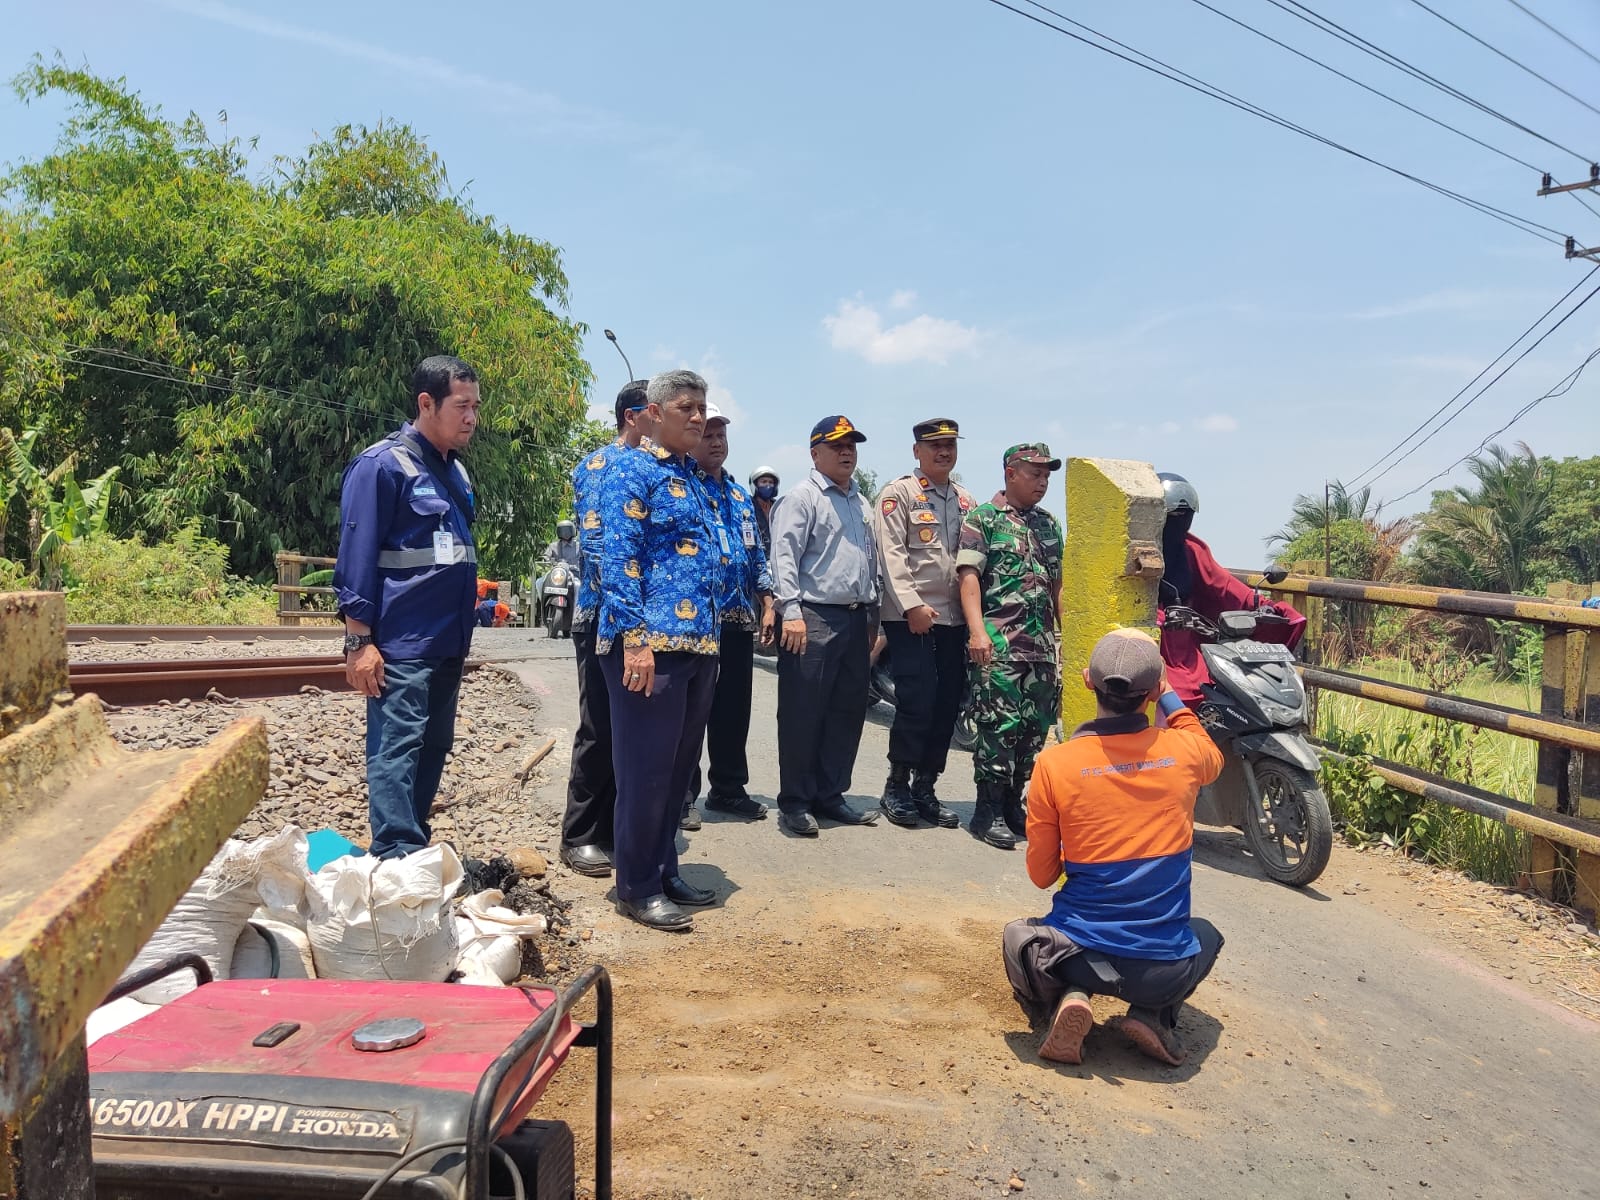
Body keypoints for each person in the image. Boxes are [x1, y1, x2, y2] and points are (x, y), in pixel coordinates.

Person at [1003, 628, 1225, 1067]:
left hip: (1076, 958)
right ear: (1155, 690)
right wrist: (1170, 699)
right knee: (1206, 935)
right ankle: (1151, 1013)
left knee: (1018, 936)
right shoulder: (1184, 753)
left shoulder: (1056, 764)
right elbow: (1209, 753)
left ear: (1088, 680)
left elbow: (1042, 875)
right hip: (1162, 972)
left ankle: (1068, 997)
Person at [334, 354, 480, 860]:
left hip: (447, 640)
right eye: (461, 406)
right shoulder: (382, 466)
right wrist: (359, 642)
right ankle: (394, 853)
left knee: (435, 745)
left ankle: (412, 842)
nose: (471, 418)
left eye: (475, 407)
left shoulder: (456, 473)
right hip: (401, 643)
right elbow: (356, 558)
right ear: (426, 403)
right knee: (397, 747)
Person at [597, 369, 724, 931]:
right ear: (653, 412)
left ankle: (664, 868)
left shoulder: (693, 476)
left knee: (677, 772)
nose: (697, 417)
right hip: (648, 646)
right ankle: (637, 886)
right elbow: (617, 557)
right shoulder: (630, 468)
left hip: (697, 644)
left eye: (701, 407)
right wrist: (635, 641)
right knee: (645, 772)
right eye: (686, 407)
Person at [768, 415, 881, 837]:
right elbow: (783, 557)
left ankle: (831, 795)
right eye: (837, 446)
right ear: (816, 454)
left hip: (854, 617)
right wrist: (790, 611)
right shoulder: (802, 498)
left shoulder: (859, 501)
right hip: (812, 617)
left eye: (852, 445)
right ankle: (795, 802)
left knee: (847, 712)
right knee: (803, 712)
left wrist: (871, 613)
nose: (847, 452)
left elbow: (867, 559)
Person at [560, 381, 651, 878]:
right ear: (633, 416)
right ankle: (580, 835)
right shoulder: (601, 465)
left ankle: (617, 831)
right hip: (603, 613)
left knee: (631, 733)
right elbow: (600, 546)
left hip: (642, 619)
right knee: (599, 726)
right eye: (653, 411)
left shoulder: (656, 468)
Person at [957, 443, 1065, 851]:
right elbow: (968, 578)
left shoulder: (1049, 525)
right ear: (1010, 472)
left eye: (1047, 475)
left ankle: (1013, 804)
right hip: (999, 645)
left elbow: (1058, 587)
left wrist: (1065, 637)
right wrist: (976, 632)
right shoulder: (983, 519)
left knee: (1032, 732)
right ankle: (988, 812)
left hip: (1039, 649)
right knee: (997, 729)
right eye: (1035, 473)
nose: (1043, 481)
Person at [873, 418, 976, 828]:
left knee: (947, 704)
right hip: (911, 616)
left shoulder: (967, 501)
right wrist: (912, 605)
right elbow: (891, 554)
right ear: (917, 451)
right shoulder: (899, 494)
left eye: (950, 444)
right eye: (934, 445)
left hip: (953, 620)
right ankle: (896, 785)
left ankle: (926, 787)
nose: (943, 452)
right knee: (916, 702)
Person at [684, 403, 775, 828]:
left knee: (733, 708)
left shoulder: (740, 496)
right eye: (708, 434)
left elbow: (756, 554)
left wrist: (768, 603)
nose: (716, 441)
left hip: (738, 619)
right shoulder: (682, 487)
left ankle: (728, 789)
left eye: (721, 434)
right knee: (688, 711)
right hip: (694, 619)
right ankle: (681, 796)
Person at [1156, 472, 1306, 706]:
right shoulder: (1139, 553)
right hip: (1157, 648)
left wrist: (1261, 605)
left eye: (1184, 515)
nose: (1179, 520)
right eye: (1172, 515)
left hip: (1189, 646)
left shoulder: (1192, 551)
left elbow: (1223, 585)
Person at [748, 466, 780, 552]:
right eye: (764, 482)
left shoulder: (779, 507)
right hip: (757, 555)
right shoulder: (748, 506)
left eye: (771, 482)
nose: (768, 485)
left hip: (777, 555)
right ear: (755, 484)